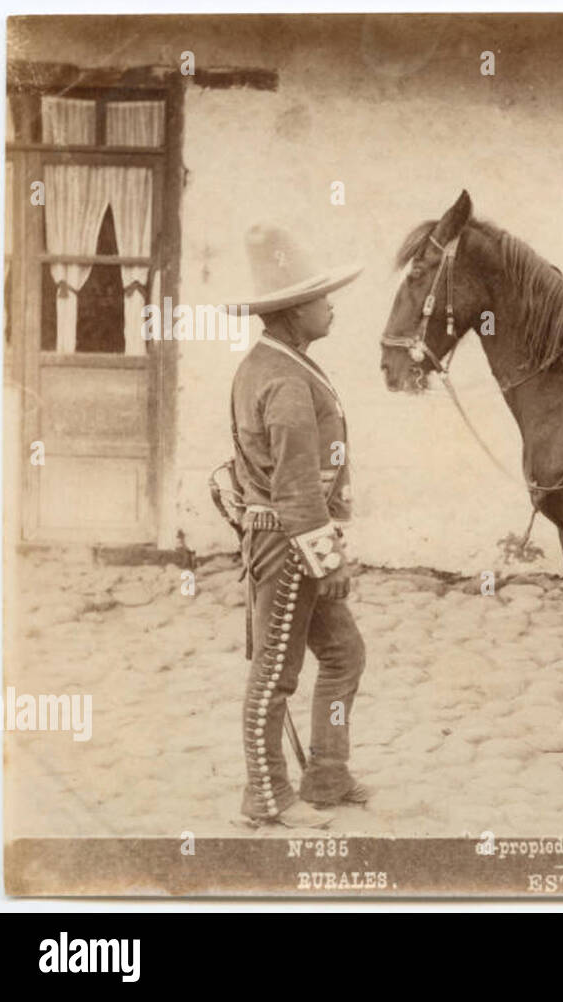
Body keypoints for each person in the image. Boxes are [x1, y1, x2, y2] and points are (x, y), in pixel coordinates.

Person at [225, 224, 366, 828]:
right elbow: (295, 488)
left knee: (344, 654)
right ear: (290, 312)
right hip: (289, 547)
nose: (330, 302)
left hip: (293, 541)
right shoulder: (281, 378)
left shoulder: (282, 363)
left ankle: (327, 776)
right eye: (320, 295)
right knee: (276, 674)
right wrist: (328, 562)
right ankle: (266, 796)